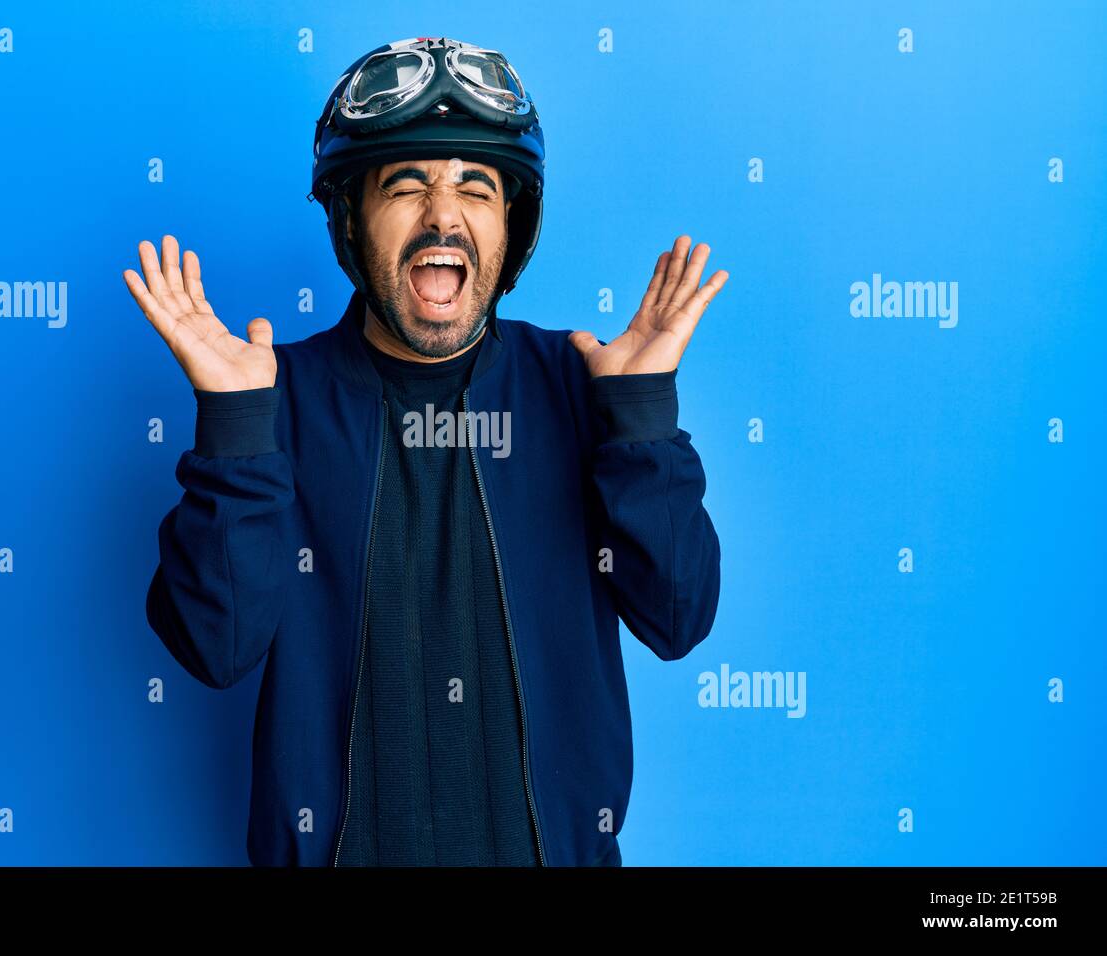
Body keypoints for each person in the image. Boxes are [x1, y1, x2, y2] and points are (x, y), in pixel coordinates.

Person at [123, 36, 728, 867]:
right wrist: (233, 427)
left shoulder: (585, 388)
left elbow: (677, 618)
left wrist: (643, 418)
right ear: (347, 219)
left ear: (511, 229)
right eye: (407, 185)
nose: (444, 217)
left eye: (476, 189)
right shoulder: (273, 402)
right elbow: (212, 647)